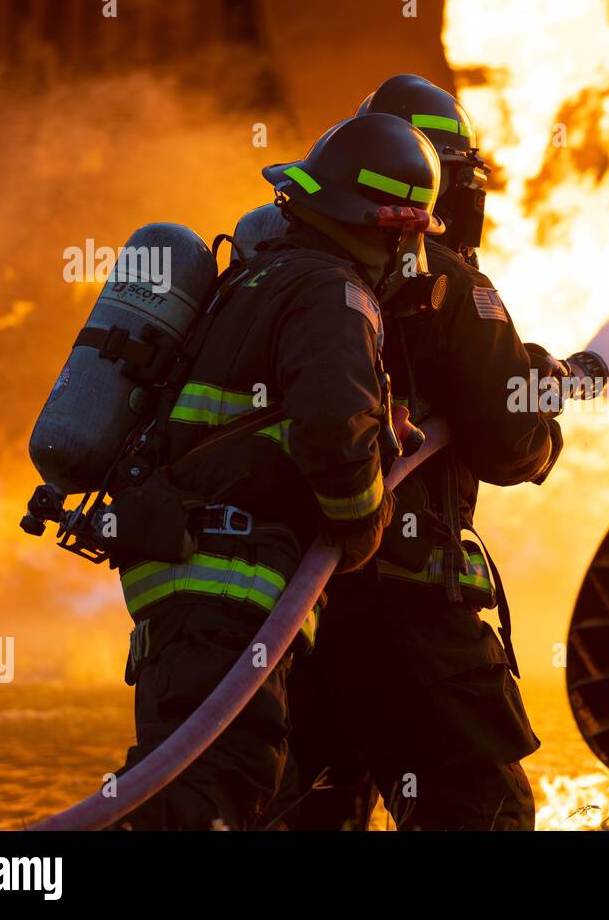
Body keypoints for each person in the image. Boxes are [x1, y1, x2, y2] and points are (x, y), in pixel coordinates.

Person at [113, 112, 447, 829]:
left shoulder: (257, 280)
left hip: (191, 585)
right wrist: (365, 522)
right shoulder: (334, 295)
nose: (407, 255)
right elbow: (335, 437)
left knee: (221, 791)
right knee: (205, 803)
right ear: (386, 225)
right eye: (407, 236)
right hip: (227, 591)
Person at [285, 75, 566, 831]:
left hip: (298, 617)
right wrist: (546, 406)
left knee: (308, 811)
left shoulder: (301, 270)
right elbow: (512, 443)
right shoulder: (452, 284)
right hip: (412, 613)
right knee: (478, 808)